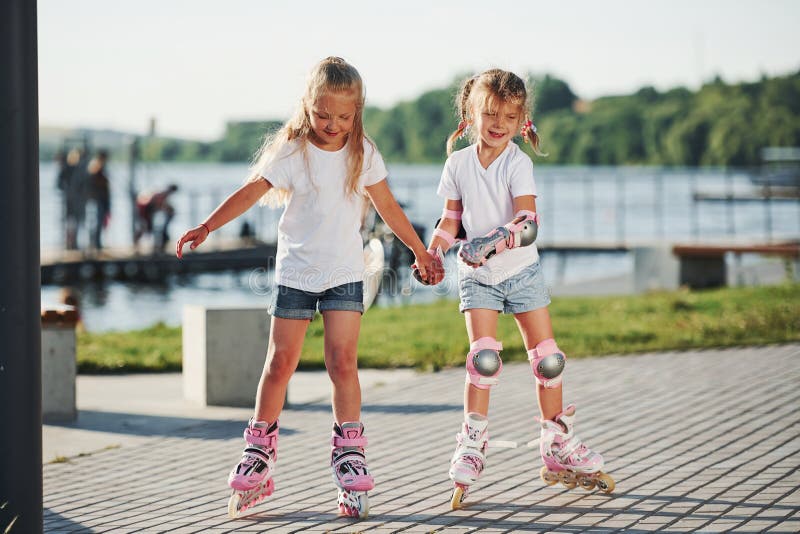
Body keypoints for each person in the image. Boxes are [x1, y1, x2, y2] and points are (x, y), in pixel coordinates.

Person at [175, 57, 442, 519]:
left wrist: (421, 251)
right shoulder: (293, 151)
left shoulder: (365, 152)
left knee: (343, 363)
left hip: (344, 273)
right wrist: (207, 225)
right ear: (308, 105)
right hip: (296, 274)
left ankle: (349, 452)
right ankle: (260, 449)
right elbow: (252, 190)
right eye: (323, 115)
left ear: (357, 111)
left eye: (343, 116)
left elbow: (390, 208)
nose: (333, 124)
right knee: (280, 363)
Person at [426, 69, 614, 509]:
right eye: (489, 113)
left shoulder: (517, 163)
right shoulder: (457, 163)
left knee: (548, 361)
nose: (498, 123)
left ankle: (556, 442)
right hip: (479, 277)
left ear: (521, 119)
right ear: (470, 112)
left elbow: (528, 224)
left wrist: (495, 240)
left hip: (522, 271)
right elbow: (451, 220)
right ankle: (472, 443)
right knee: (484, 358)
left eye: (509, 116)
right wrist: (434, 251)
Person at [135, 184, 178, 253]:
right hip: (146, 209)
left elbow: (160, 205)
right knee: (145, 227)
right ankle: (138, 246)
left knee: (147, 228)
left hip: (147, 209)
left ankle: (153, 247)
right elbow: (157, 203)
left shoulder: (162, 193)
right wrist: (167, 209)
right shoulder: (163, 194)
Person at [86, 149, 111, 250]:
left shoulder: (100, 167)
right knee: (97, 221)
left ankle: (97, 243)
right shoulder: (96, 167)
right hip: (99, 199)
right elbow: (95, 182)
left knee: (100, 222)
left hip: (103, 198)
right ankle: (95, 243)